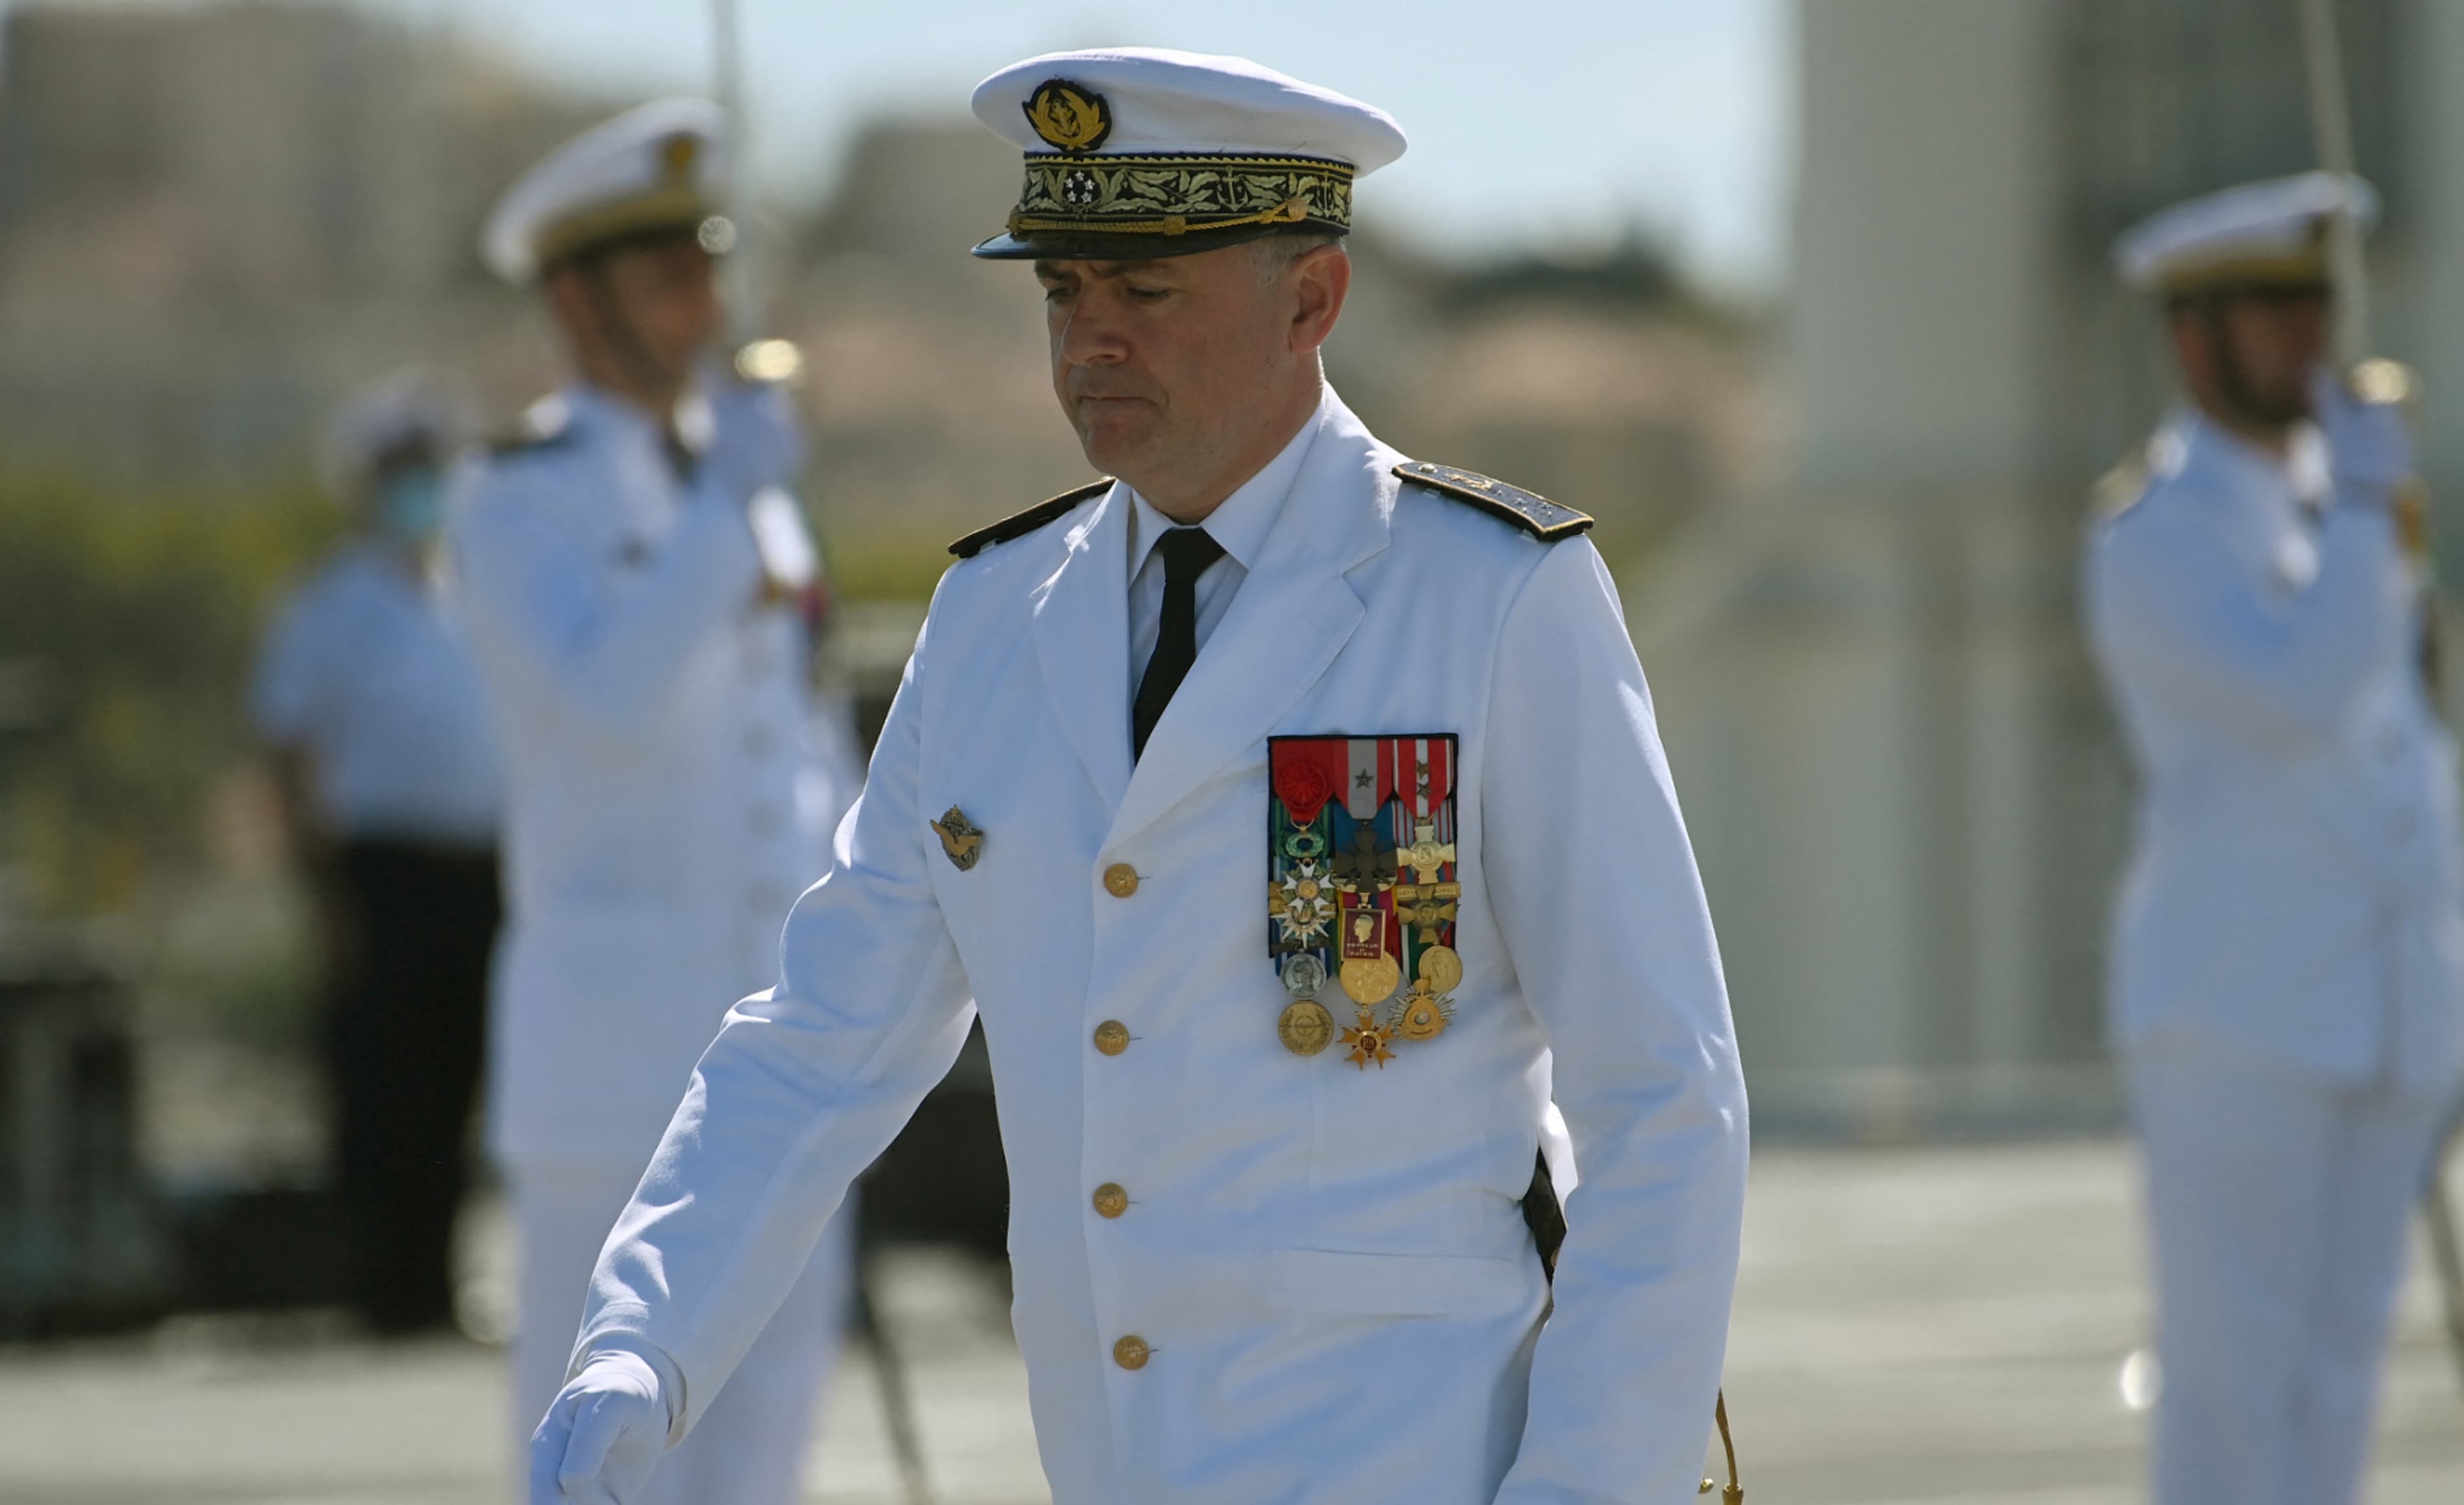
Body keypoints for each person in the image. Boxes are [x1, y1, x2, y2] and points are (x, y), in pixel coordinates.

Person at [528, 49, 1747, 1505]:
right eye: (1063, 292)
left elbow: (1661, 1096)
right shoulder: (993, 617)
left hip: (1416, 1459)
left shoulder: (1486, 595)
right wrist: (642, 1340)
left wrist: (1588, 1487)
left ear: (1311, 300)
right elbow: (819, 1039)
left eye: (1146, 292)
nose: (1089, 341)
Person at [448, 97, 861, 1505]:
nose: (703, 296)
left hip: (772, 1045)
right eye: (664, 271)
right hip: (614, 1057)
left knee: (766, 1433)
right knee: (600, 1443)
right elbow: (604, 709)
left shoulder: (743, 479)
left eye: (709, 262)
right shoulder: (516, 498)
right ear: (578, 300)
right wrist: (724, 507)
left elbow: (799, 745)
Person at [2085, 172, 2464, 1505]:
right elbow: (2302, 696)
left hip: (2386, 1010)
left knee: (2338, 1376)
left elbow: (2409, 753)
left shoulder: (2340, 503)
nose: (2311, 339)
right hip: (2241, 1018)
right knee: (2231, 1383)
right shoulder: (2155, 530)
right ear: (2196, 340)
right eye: (2273, 311)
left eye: (2316, 307)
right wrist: (2369, 512)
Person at [251, 368, 502, 1336]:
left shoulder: (475, 592)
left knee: (461, 1076)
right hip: (381, 871)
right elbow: (288, 751)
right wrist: (325, 897)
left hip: (481, 870)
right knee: (384, 1084)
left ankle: (439, 1280)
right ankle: (384, 1290)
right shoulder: (329, 604)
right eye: (401, 470)